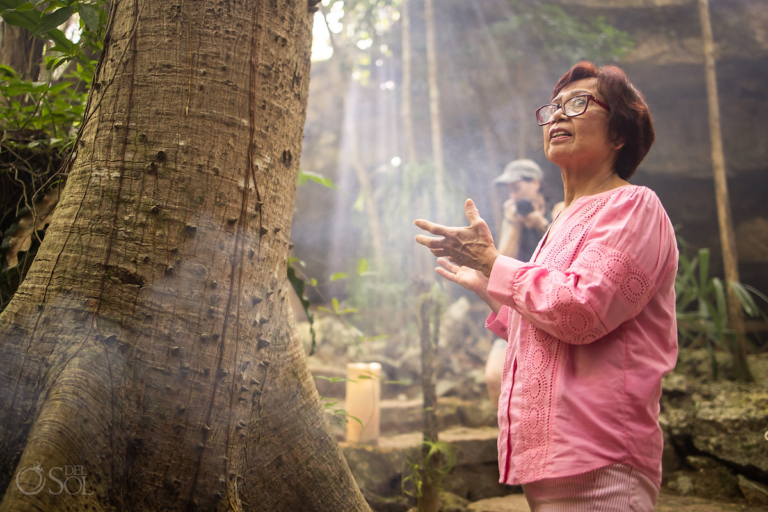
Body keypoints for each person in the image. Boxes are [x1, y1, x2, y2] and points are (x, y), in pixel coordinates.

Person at [414, 61, 677, 511]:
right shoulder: (560, 223)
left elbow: (582, 312)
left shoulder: (633, 205)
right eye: (552, 107)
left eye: (578, 103)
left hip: (602, 461)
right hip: (555, 460)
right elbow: (550, 318)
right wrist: (487, 283)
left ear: (619, 134)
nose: (557, 115)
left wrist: (497, 265)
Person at [486, 160, 564, 409]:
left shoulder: (559, 209)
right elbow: (498, 264)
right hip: (517, 305)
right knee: (493, 376)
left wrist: (540, 223)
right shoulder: (511, 216)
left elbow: (566, 251)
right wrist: (514, 226)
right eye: (509, 189)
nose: (513, 193)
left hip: (552, 302)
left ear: (536, 184)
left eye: (517, 186)